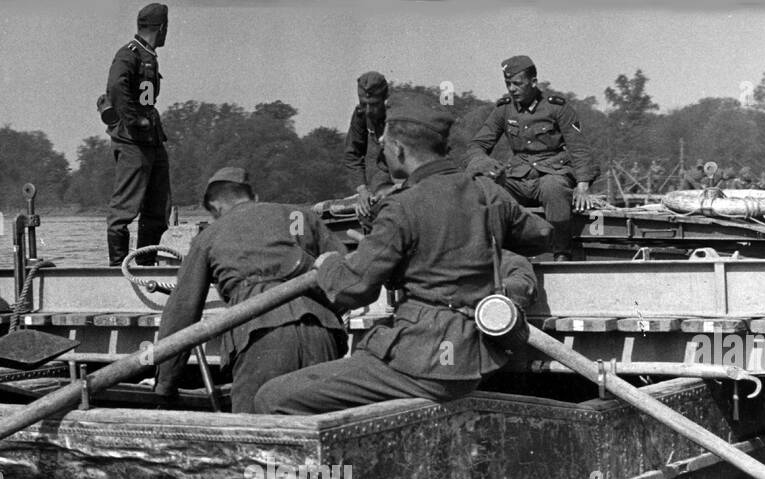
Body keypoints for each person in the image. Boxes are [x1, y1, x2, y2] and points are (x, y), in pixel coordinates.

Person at [254, 95, 551, 416]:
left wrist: (329, 265)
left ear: (398, 148)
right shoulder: (486, 191)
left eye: (384, 145)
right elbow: (541, 235)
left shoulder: (400, 206)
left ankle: (328, 470)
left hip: (424, 362)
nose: (382, 151)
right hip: (475, 358)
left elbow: (353, 290)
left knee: (271, 398)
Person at [152, 167, 345, 413]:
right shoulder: (300, 215)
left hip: (259, 336)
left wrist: (165, 384)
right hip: (323, 332)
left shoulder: (209, 236)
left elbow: (182, 312)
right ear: (253, 197)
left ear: (215, 207)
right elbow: (347, 275)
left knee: (253, 438)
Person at [465, 54, 597, 260]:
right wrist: (483, 165)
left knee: (553, 189)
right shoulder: (504, 109)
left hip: (553, 172)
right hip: (518, 177)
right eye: (508, 83)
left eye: (517, 83)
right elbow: (478, 144)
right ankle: (492, 253)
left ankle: (561, 252)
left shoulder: (557, 107)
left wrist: (583, 185)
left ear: (533, 82)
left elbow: (578, 147)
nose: (511, 89)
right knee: (489, 188)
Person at [103, 3, 171, 266]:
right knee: (125, 206)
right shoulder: (129, 54)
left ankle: (145, 266)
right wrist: (134, 120)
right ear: (161, 28)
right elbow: (115, 88)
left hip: (152, 139)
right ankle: (117, 268)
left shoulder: (148, 55)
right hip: (133, 140)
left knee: (157, 206)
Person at [344, 71, 393, 221]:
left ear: (385, 99)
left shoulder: (399, 113)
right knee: (368, 211)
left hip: (410, 174)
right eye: (363, 104)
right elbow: (352, 154)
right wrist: (362, 190)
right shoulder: (361, 115)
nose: (369, 111)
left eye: (374, 105)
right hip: (383, 176)